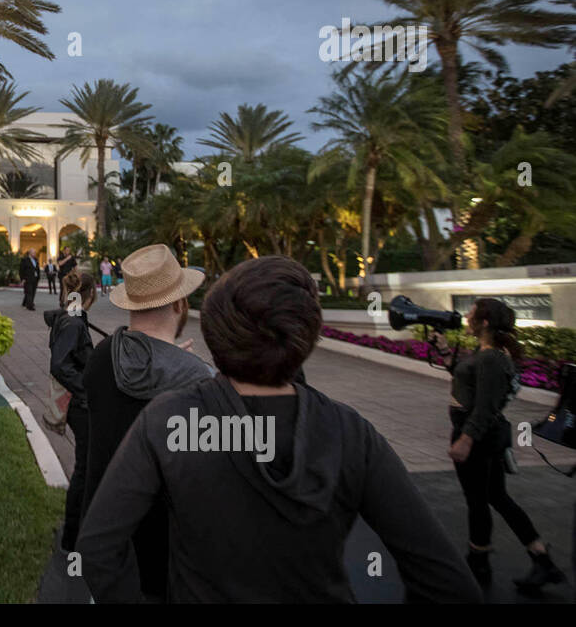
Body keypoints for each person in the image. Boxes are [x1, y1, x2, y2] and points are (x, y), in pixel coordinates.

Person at [78, 255, 482, 604]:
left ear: (216, 334)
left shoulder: (169, 419)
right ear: (305, 336)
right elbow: (447, 582)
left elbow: (98, 545)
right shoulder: (349, 432)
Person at [79, 244, 213, 599]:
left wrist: (168, 360)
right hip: (168, 555)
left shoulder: (100, 359)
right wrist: (178, 364)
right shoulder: (200, 381)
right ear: (180, 303)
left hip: (107, 546)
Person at [431, 298, 567, 594]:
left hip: (478, 436)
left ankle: (478, 564)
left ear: (484, 322)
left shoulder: (492, 358)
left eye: (472, 313)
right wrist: (443, 350)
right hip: (482, 434)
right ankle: (541, 558)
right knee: (497, 497)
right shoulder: (488, 353)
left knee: (478, 501)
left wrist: (466, 439)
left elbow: (485, 407)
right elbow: (467, 382)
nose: (466, 317)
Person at [43, 270, 98, 550]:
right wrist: (87, 389)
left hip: (80, 403)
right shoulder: (73, 323)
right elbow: (60, 365)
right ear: (91, 294)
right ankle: (72, 538)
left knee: (87, 467)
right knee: (85, 469)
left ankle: (77, 533)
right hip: (81, 406)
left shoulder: (71, 318)